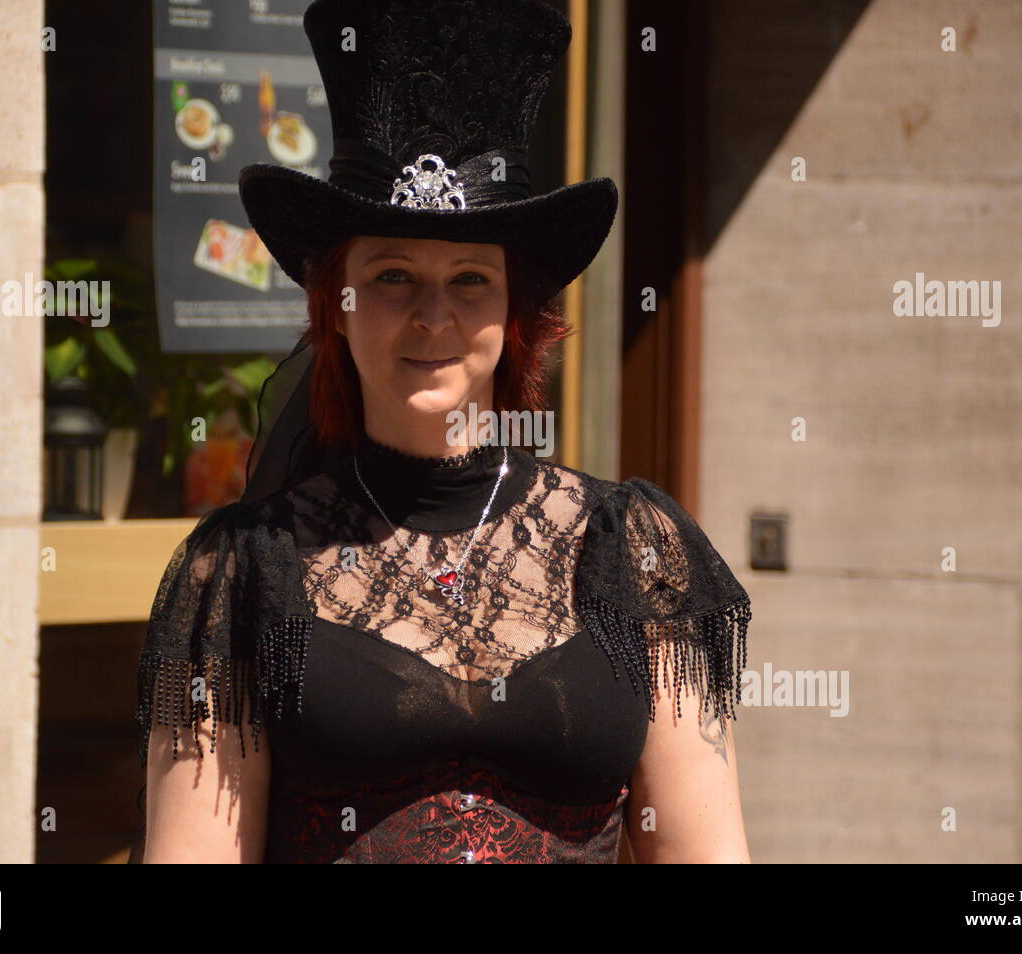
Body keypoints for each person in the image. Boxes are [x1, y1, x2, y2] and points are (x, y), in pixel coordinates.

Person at [131, 0, 752, 864]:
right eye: (391, 275)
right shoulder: (240, 573)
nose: (433, 316)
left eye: (469, 278)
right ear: (336, 307)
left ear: (514, 314)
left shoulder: (636, 549)